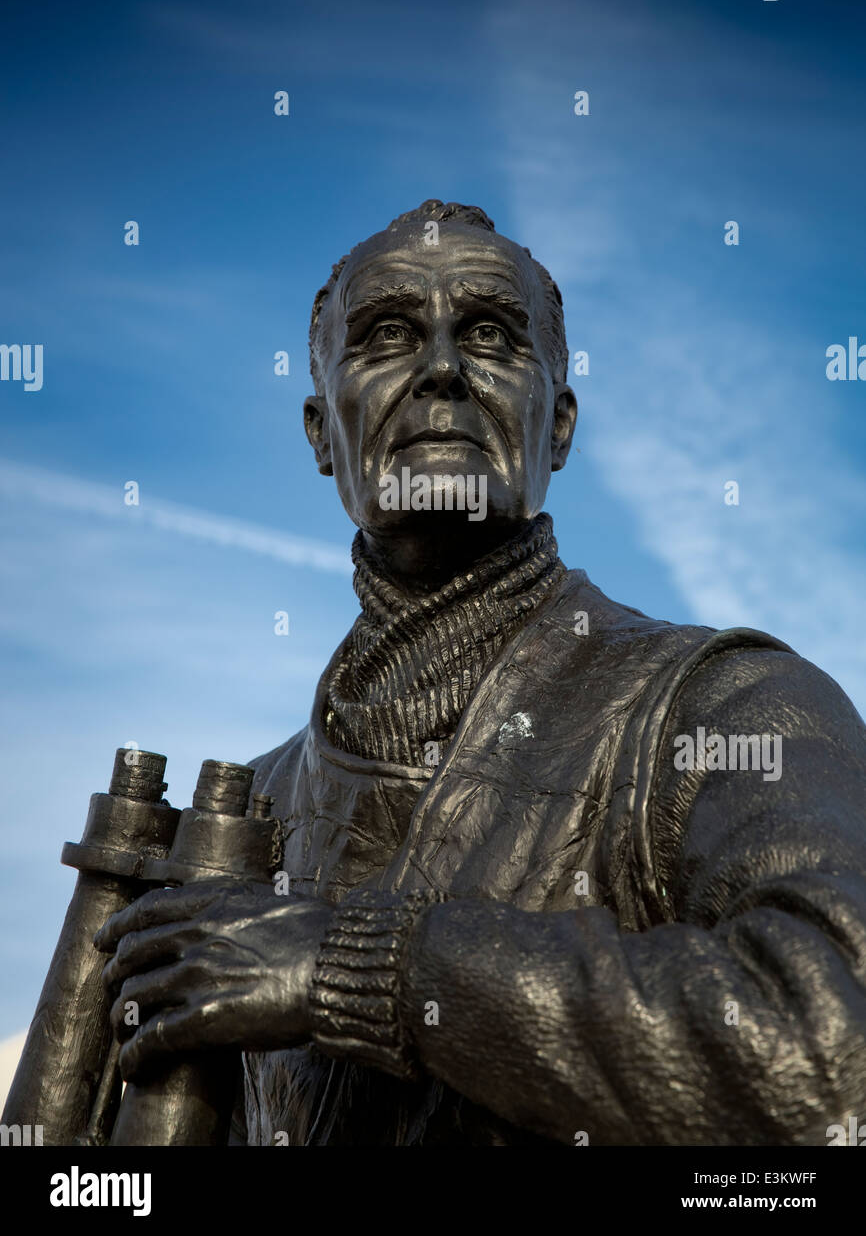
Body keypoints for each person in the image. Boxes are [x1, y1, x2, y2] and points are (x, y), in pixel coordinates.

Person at [98, 200, 866, 1146]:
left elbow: (834, 1057)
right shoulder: (243, 818)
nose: (441, 370)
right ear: (317, 431)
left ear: (561, 427)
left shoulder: (725, 706)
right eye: (386, 336)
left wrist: (364, 970)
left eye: (491, 335)